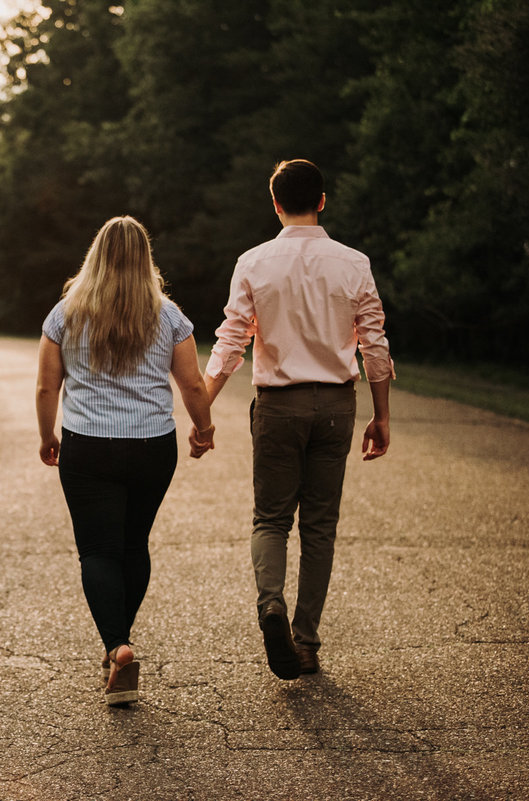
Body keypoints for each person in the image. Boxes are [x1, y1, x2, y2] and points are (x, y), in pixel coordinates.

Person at [197, 159, 393, 680]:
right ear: (323, 200)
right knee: (320, 528)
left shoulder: (254, 262)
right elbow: (373, 344)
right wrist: (382, 416)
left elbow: (232, 340)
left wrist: (202, 410)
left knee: (271, 520)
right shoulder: (354, 263)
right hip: (334, 407)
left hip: (279, 407)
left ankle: (271, 607)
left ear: (276, 203)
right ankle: (305, 643)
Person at [37, 215, 215, 706]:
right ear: (145, 258)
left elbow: (47, 384)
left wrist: (46, 435)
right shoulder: (169, 316)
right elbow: (193, 385)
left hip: (87, 446)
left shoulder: (65, 314)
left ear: (96, 255)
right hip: (152, 447)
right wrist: (203, 428)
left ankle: (116, 645)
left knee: (98, 551)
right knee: (133, 545)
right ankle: (119, 645)